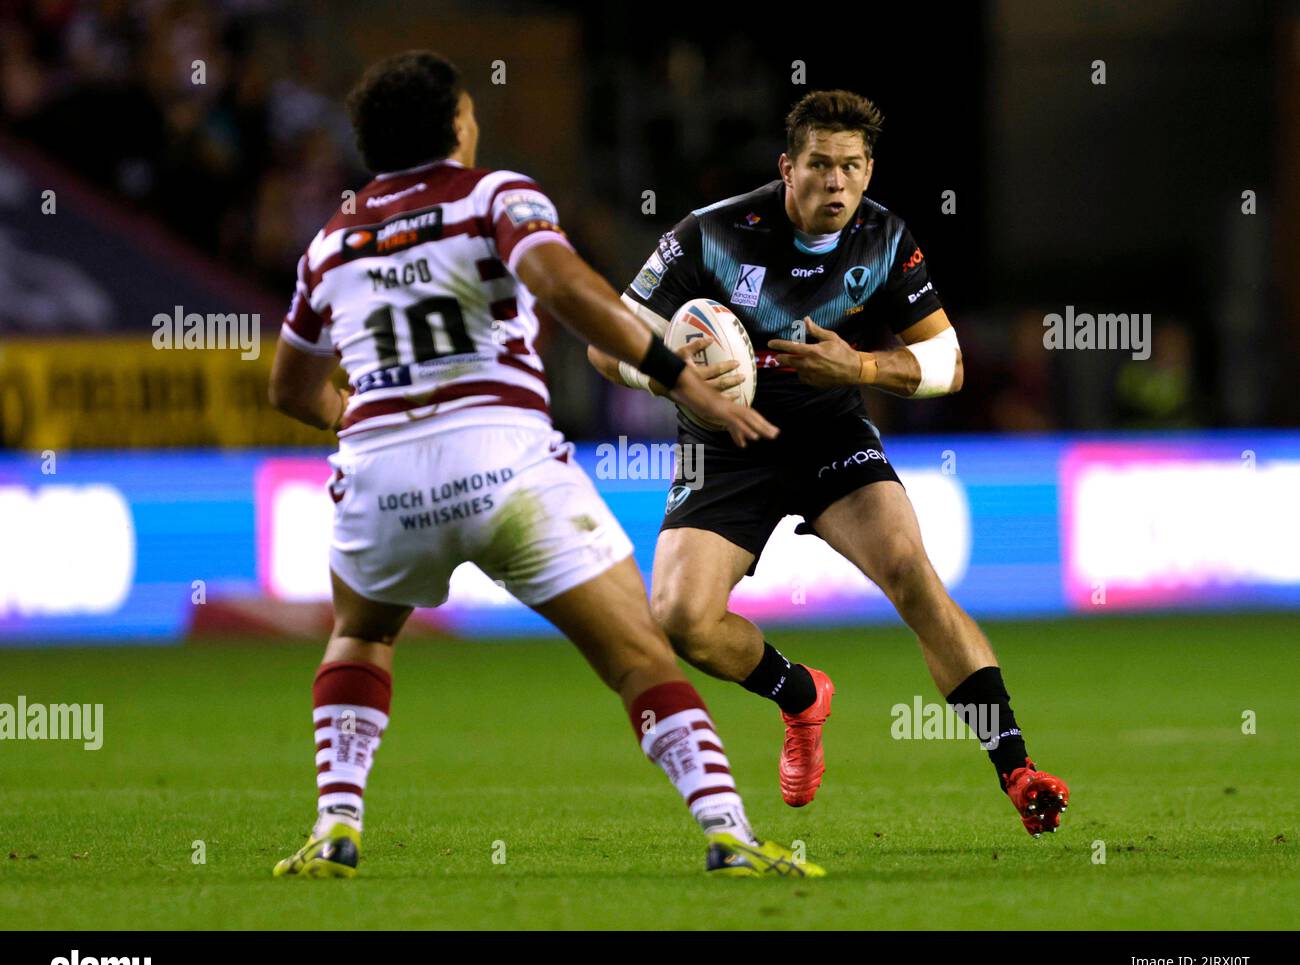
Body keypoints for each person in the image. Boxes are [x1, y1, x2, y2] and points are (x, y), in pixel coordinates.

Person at [268, 51, 822, 878]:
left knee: (360, 635)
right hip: (504, 461)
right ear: (458, 124)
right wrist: (676, 375)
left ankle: (336, 824)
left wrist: (362, 417)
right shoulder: (495, 194)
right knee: (639, 657)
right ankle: (727, 832)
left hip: (379, 477)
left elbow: (290, 388)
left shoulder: (330, 244)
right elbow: (561, 284)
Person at [588, 90, 1069, 835]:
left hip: (828, 432)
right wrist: (675, 378)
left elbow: (948, 363)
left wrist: (863, 372)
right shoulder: (709, 236)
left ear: (869, 171)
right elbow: (604, 344)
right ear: (788, 167)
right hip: (726, 442)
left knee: (911, 572)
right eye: (819, 165)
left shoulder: (884, 239)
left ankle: (1017, 767)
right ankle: (799, 695)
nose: (834, 182)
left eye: (850, 166)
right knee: (681, 618)